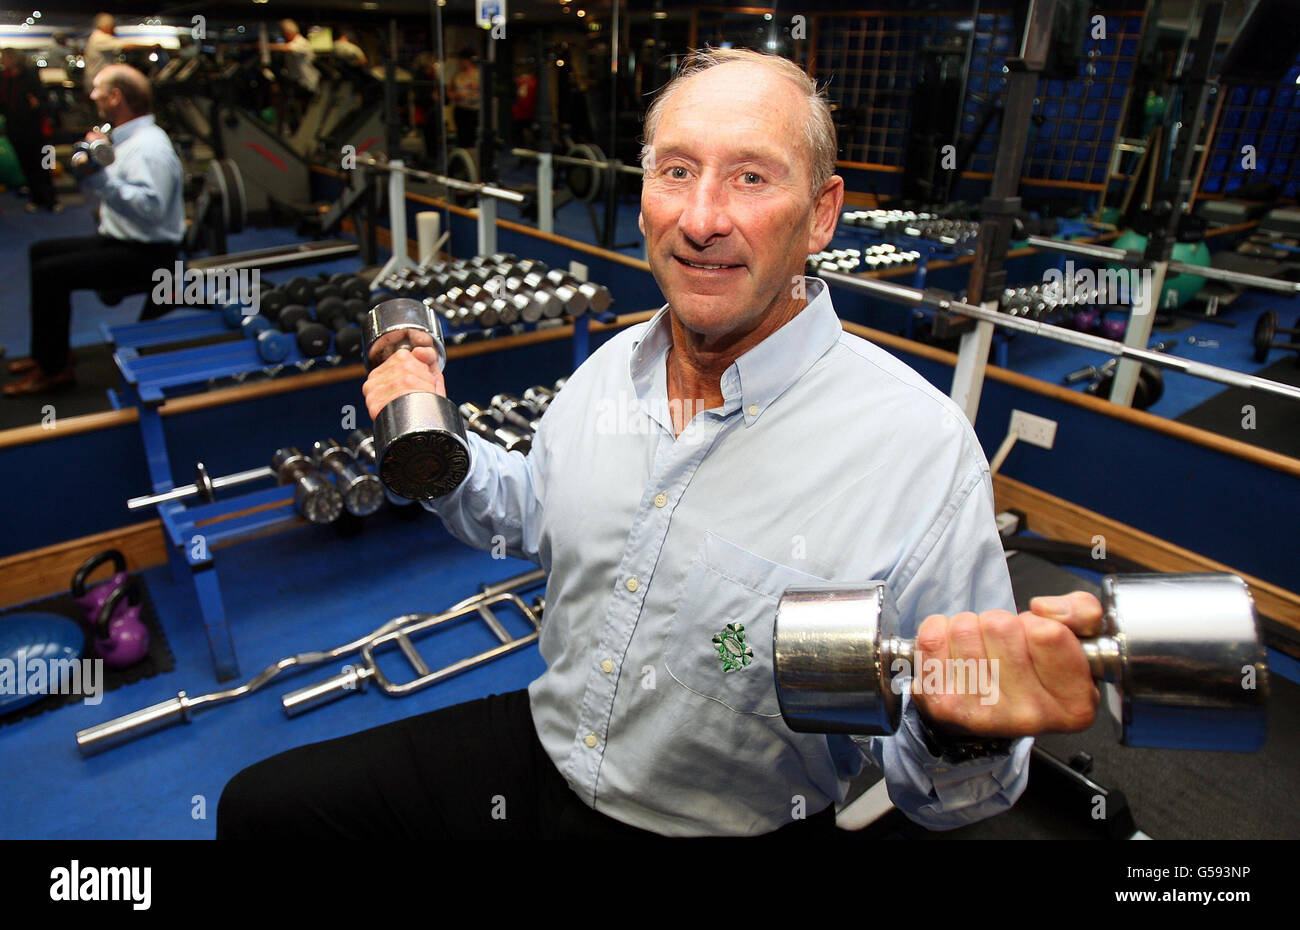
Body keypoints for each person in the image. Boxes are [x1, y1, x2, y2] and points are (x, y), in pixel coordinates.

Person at [217, 49, 1102, 839]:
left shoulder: (917, 450)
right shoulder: (613, 367)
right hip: (550, 752)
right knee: (264, 809)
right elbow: (527, 515)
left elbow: (946, 799)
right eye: (676, 171)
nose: (702, 217)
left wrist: (962, 727)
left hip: (724, 827)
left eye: (752, 178)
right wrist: (435, 438)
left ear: (823, 213)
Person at [5, 65, 183, 397]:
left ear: (116, 97)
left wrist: (100, 175)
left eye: (98, 88)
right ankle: (50, 352)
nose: (91, 95)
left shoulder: (149, 147)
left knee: (50, 274)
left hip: (149, 255)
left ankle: (55, 371)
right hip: (121, 239)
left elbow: (151, 209)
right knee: (39, 252)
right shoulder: (123, 137)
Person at [0, 48, 59, 213]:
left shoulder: (29, 76)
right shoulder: (4, 79)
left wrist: (38, 105)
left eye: (5, 57)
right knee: (26, 165)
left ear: (14, 59)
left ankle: (50, 200)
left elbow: (44, 102)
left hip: (34, 129)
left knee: (42, 165)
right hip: (14, 129)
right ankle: (36, 198)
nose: (2, 61)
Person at [82, 14, 152, 94]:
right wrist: (151, 46)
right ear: (107, 27)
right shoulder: (100, 38)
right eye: (113, 27)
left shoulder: (95, 37)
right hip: (98, 81)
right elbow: (126, 46)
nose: (114, 30)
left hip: (97, 79)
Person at [448, 48, 480, 149]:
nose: (461, 62)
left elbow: (483, 91)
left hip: (473, 109)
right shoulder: (458, 75)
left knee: (471, 137)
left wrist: (471, 93)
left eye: (462, 60)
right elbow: (449, 90)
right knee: (461, 137)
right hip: (460, 109)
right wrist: (453, 95)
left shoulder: (478, 75)